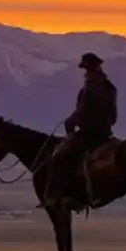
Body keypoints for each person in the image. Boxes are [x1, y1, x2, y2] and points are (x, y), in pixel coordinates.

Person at [42, 53, 118, 209]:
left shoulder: (90, 87)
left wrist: (70, 122)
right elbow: (112, 115)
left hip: (89, 133)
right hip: (105, 133)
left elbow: (82, 111)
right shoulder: (110, 87)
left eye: (86, 69)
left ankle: (56, 196)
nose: (85, 72)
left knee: (60, 156)